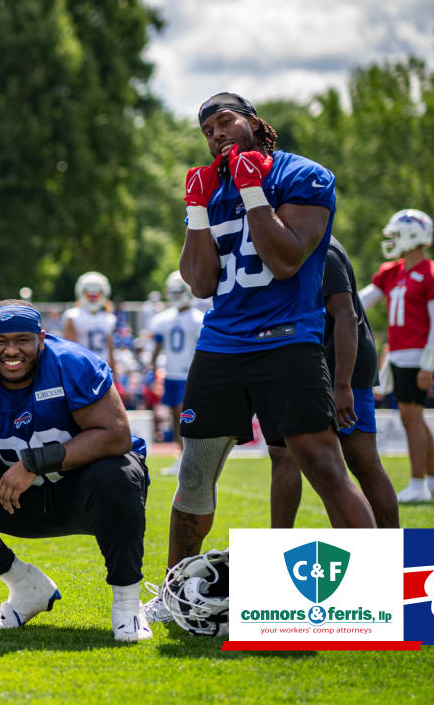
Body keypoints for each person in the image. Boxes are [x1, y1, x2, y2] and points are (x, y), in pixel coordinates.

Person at [148, 92, 376, 622]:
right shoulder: (214, 186)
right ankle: (173, 595)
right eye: (206, 130)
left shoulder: (303, 174)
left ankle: (373, 593)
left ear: (253, 122)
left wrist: (253, 191)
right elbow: (201, 282)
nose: (215, 134)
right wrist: (196, 211)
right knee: (194, 475)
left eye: (224, 122)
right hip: (221, 343)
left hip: (286, 339)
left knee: (324, 464)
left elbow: (286, 259)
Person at [0, 302, 152, 642]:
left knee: (117, 472)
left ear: (42, 338)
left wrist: (33, 462)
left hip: (87, 491)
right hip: (20, 498)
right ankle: (25, 586)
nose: (11, 350)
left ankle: (129, 606)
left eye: (22, 340)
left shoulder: (71, 363)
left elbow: (116, 436)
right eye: (0, 341)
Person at [270, 237, 398, 527]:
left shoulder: (320, 247)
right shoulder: (280, 241)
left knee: (361, 459)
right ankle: (276, 549)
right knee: (283, 454)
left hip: (340, 362)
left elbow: (346, 315)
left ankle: (396, 556)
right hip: (300, 361)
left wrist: (342, 385)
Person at [358, 209, 434, 503]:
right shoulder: (392, 271)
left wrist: (429, 362)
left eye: (396, 233)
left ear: (413, 235)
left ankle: (418, 484)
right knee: (413, 418)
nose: (391, 240)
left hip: (418, 355)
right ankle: (427, 481)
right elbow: (361, 300)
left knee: (411, 417)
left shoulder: (428, 273)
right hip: (400, 353)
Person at [149, 271, 203, 475]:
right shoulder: (164, 318)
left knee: (185, 416)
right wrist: (153, 366)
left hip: (189, 372)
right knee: (174, 416)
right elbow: (157, 345)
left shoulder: (198, 318)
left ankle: (190, 457)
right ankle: (181, 455)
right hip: (171, 373)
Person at [61, 272, 117, 374]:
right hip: (82, 367)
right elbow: (69, 350)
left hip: (101, 368)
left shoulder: (109, 318)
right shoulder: (72, 316)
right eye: (89, 294)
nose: (93, 297)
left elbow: (110, 351)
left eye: (96, 295)